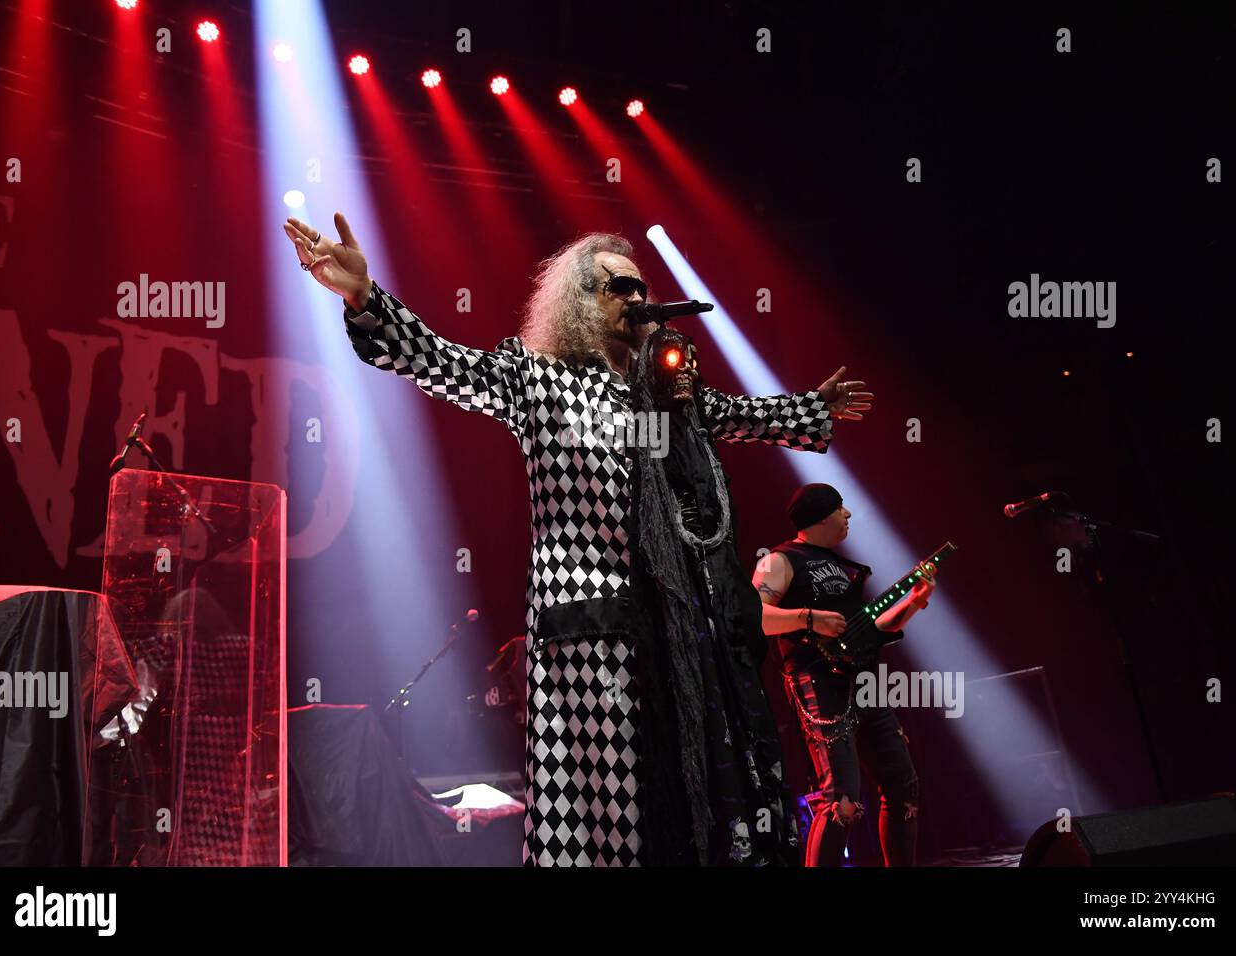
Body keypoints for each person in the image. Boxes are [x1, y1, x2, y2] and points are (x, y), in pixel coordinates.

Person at [283, 214, 873, 865]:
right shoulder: (540, 381)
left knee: (688, 810)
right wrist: (367, 301)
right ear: (579, 303)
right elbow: (443, 363)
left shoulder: (667, 396)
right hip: (592, 637)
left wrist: (810, 408)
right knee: (598, 821)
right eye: (615, 288)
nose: (634, 299)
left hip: (679, 638)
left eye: (638, 287)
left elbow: (736, 414)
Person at [626, 326, 801, 865]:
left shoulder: (700, 413)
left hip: (723, 597)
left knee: (748, 716)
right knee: (699, 722)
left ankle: (771, 841)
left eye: (694, 360)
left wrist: (816, 404)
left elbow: (758, 415)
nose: (688, 370)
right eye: (676, 360)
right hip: (678, 606)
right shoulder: (642, 422)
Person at [752, 483, 935, 866]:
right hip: (818, 683)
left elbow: (868, 629)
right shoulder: (780, 560)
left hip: (864, 682)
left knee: (903, 784)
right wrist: (809, 618)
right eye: (840, 508)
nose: (848, 514)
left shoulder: (840, 565)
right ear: (821, 515)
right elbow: (752, 617)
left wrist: (914, 602)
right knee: (842, 799)